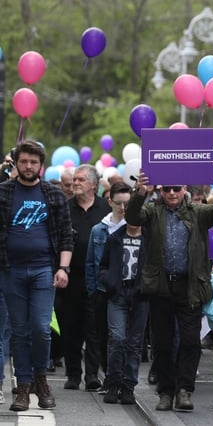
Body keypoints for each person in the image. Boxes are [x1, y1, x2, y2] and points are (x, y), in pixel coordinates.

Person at [126, 168, 213, 412]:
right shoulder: (153, 211)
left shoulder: (198, 212)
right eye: (166, 189)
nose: (172, 193)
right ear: (161, 191)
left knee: (190, 341)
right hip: (161, 284)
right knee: (162, 343)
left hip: (190, 285)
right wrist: (140, 192)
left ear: (185, 189)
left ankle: (184, 390)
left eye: (176, 188)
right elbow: (132, 217)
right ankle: (165, 391)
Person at [0, 140, 71, 411]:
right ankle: (23, 387)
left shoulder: (53, 195)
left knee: (41, 329)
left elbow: (66, 234)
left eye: (33, 162)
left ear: (41, 166)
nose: (28, 166)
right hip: (11, 271)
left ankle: (41, 378)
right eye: (24, 161)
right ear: (16, 164)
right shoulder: (4, 193)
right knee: (19, 333)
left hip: (44, 269)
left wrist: (63, 268)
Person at [63, 164, 111, 391]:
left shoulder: (105, 209)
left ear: (94, 184)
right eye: (74, 180)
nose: (76, 183)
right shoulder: (65, 208)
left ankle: (92, 374)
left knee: (94, 328)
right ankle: (73, 374)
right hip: (71, 277)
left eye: (81, 179)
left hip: (96, 277)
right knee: (71, 326)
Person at [85, 182, 131, 393]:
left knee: (124, 337)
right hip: (103, 291)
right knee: (105, 336)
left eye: (127, 204)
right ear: (110, 202)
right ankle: (109, 374)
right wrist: (93, 290)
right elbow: (90, 264)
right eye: (119, 203)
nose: (123, 208)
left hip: (128, 291)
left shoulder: (134, 227)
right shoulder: (99, 230)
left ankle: (121, 376)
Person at [99, 215, 148, 405]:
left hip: (141, 295)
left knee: (135, 342)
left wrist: (145, 286)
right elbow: (103, 264)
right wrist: (109, 281)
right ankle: (113, 382)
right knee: (117, 338)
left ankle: (128, 386)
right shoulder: (115, 238)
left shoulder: (149, 239)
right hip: (118, 293)